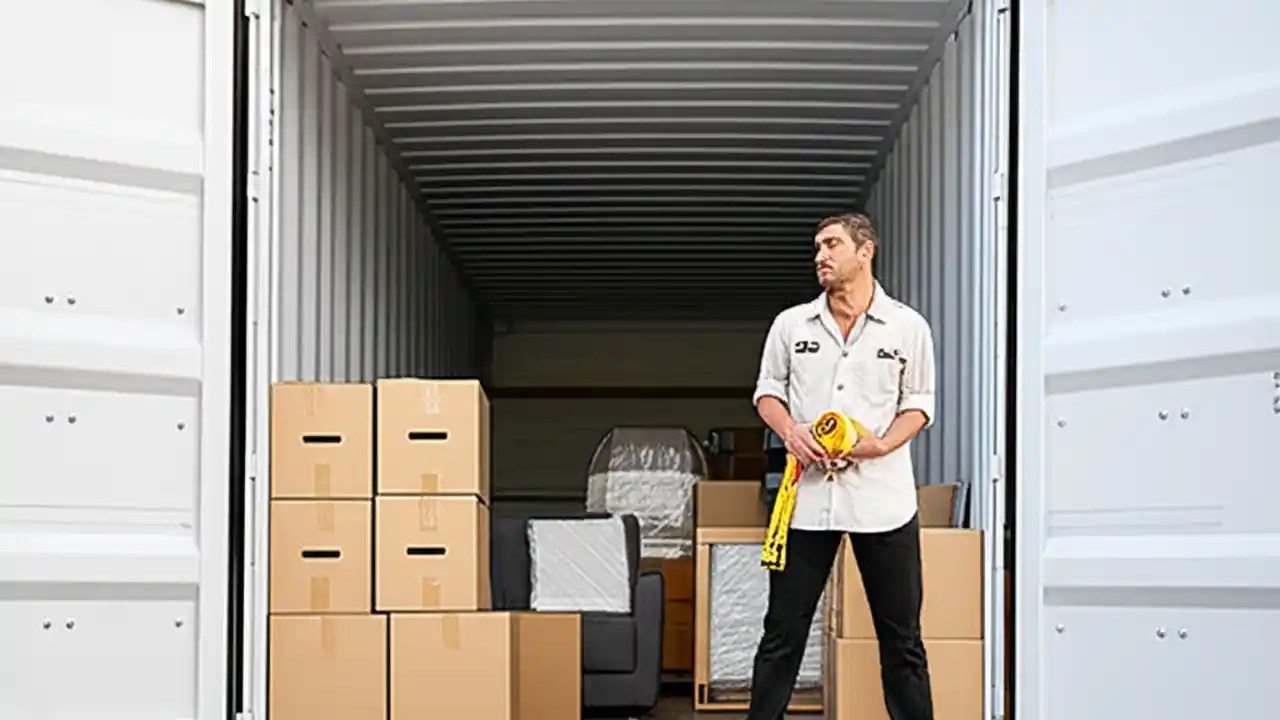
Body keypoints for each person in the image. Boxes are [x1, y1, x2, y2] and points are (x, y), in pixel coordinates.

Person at [746, 212, 937, 720]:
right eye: (816, 248)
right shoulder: (792, 325)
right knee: (781, 634)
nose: (820, 256)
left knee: (903, 643)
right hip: (807, 501)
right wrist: (792, 432)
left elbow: (918, 403)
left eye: (831, 245)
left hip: (884, 502)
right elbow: (768, 391)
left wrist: (880, 446)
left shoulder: (907, 326)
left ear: (865, 251)